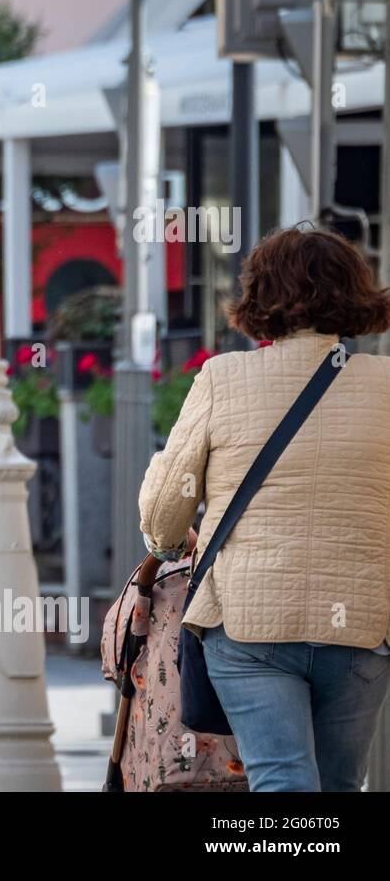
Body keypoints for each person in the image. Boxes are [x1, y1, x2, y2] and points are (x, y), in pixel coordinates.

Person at [139, 224, 390, 792]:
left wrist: (173, 543)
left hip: (250, 623)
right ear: (356, 293)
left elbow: (163, 511)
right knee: (338, 788)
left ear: (260, 297)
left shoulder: (224, 379)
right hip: (361, 621)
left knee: (283, 782)